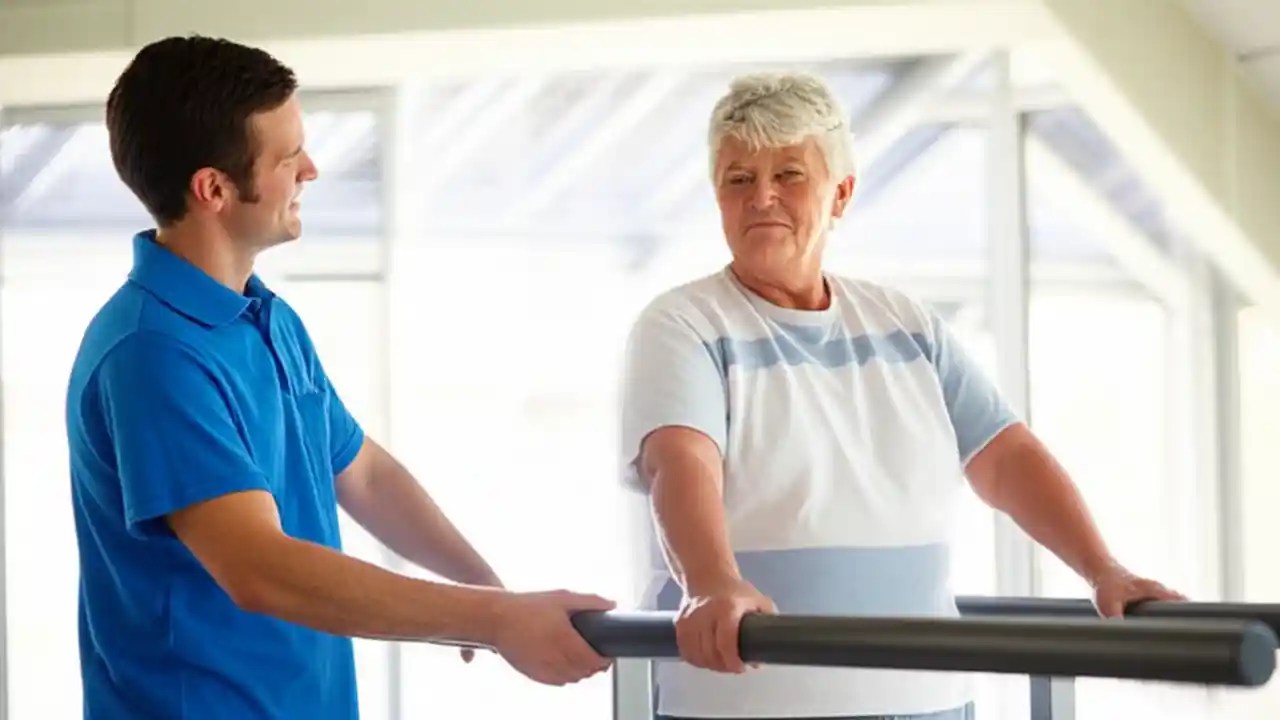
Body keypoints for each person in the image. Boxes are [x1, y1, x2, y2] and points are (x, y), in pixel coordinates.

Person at [65, 35, 613, 720]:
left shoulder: (266, 317)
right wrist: (491, 620)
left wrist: (490, 593)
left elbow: (364, 475)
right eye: (290, 159)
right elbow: (260, 569)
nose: (313, 171)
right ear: (214, 189)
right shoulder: (152, 354)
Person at [618, 71, 1185, 720]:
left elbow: (1005, 456)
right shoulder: (684, 323)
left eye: (790, 174)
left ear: (841, 194)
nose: (762, 196)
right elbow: (682, 462)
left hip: (928, 698)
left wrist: (1102, 570)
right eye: (738, 179)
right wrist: (710, 582)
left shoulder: (907, 324)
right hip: (752, 702)